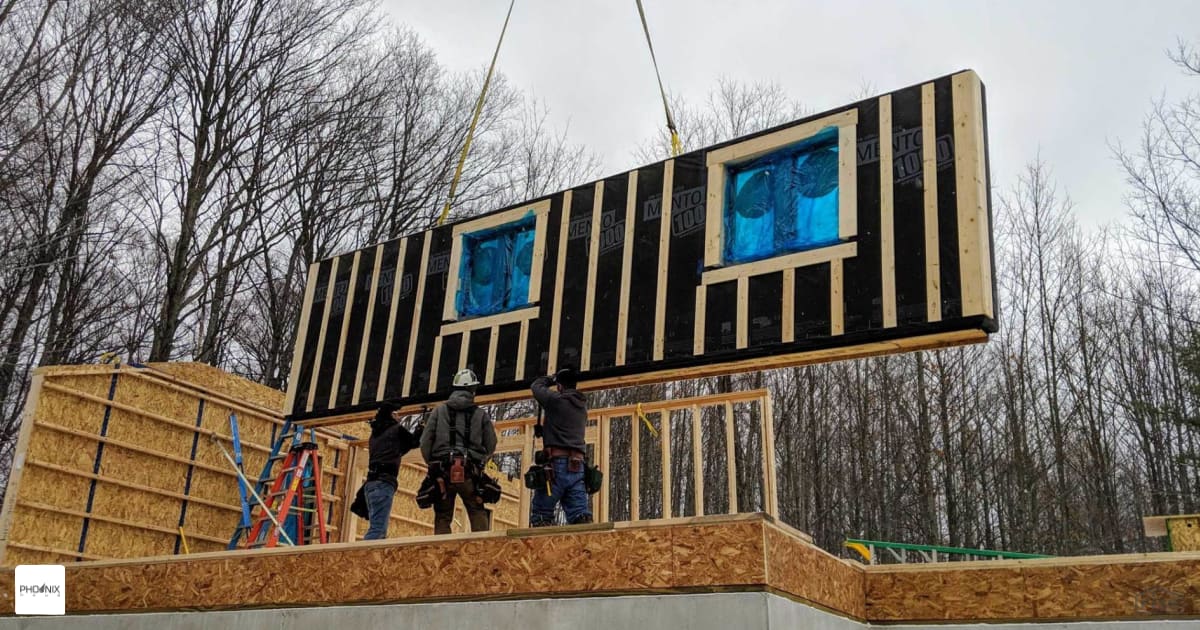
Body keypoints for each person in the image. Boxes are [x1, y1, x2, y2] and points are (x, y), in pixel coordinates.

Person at [420, 368, 497, 534]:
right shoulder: (480, 415)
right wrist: (481, 462)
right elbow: (491, 444)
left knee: (442, 515)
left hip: (443, 473)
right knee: (477, 511)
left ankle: (443, 554)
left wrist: (433, 465)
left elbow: (425, 442)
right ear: (472, 390)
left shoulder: (439, 411)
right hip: (470, 472)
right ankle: (481, 551)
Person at [530, 367, 592, 526]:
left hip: (556, 467)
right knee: (581, 517)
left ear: (559, 386)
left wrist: (550, 378)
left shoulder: (556, 400)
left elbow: (536, 387)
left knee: (541, 515)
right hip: (577, 467)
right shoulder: (582, 407)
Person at [362, 403, 421, 540]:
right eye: (397, 414)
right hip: (383, 482)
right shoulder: (396, 430)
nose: (399, 418)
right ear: (392, 414)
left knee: (377, 527)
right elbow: (413, 442)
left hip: (371, 484)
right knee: (378, 530)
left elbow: (400, 450)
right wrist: (421, 429)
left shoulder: (375, 435)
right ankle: (365, 557)